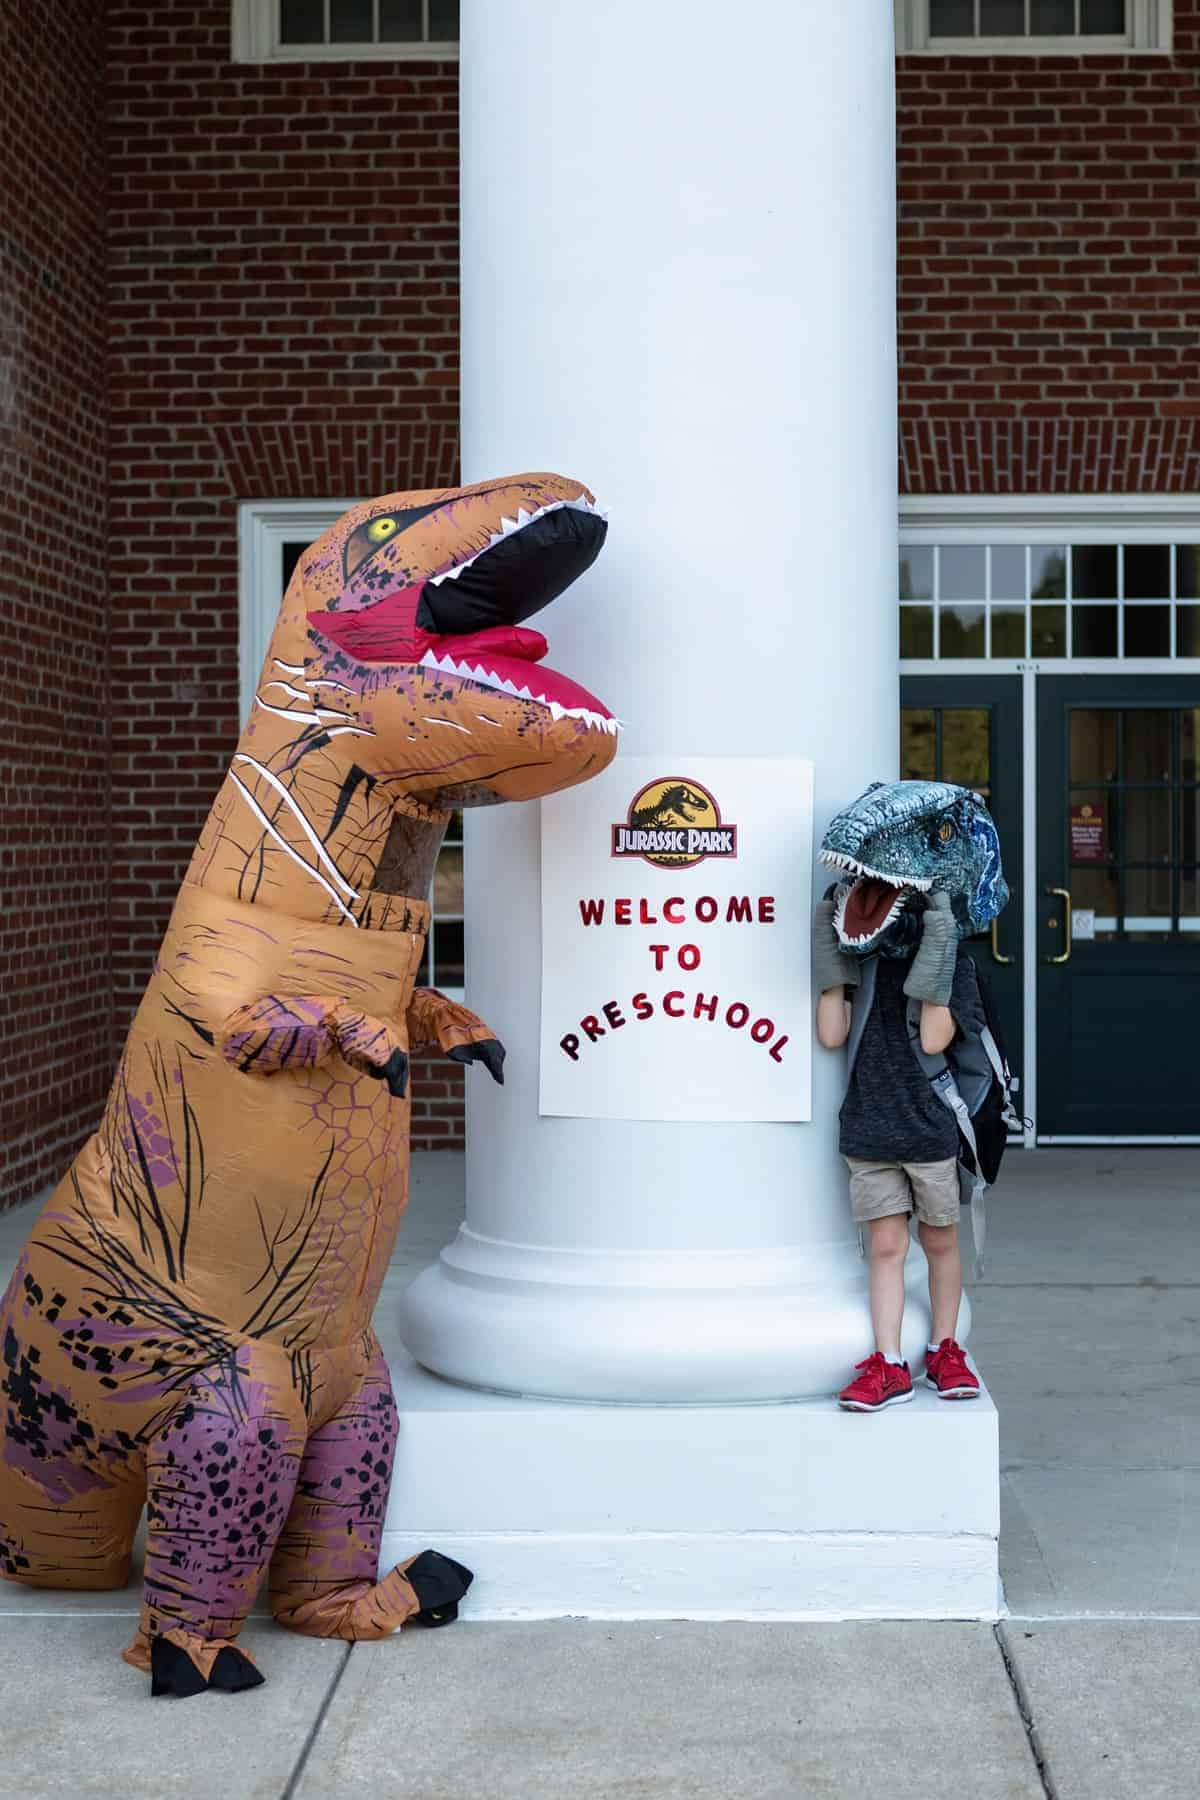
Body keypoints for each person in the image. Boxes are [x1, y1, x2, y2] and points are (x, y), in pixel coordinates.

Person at [814, 886, 981, 1412]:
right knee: (886, 1247)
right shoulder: (861, 967)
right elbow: (830, 1034)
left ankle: (945, 1348)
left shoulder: (954, 968)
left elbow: (934, 1039)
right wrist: (831, 957)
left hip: (929, 1129)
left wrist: (939, 942)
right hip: (870, 1129)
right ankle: (889, 1362)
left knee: (938, 1241)